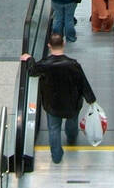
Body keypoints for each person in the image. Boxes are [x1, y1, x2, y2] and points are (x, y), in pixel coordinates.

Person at [22, 33, 98, 163]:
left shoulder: (44, 65)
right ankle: (72, 138)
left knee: (54, 129)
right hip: (72, 103)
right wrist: (91, 99)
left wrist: (29, 59)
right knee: (72, 122)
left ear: (49, 46)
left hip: (52, 104)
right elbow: (82, 82)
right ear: (63, 44)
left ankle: (56, 157)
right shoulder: (73, 64)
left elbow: (32, 71)